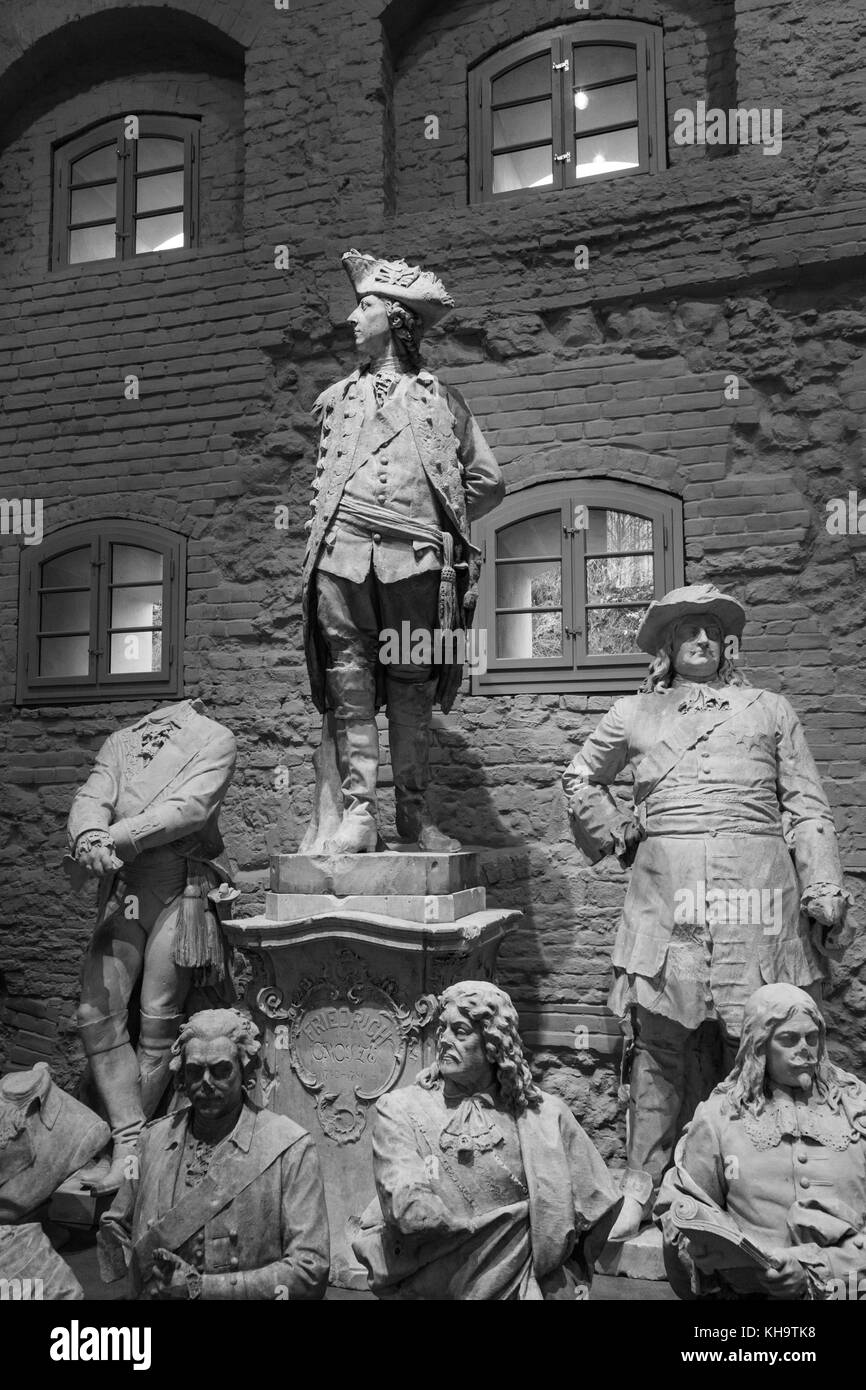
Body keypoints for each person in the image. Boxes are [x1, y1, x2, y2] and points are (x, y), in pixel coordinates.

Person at [561, 583, 850, 1240]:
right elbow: (581, 777)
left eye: (711, 630)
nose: (700, 639)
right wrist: (617, 833)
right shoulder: (633, 713)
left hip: (759, 887)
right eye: (687, 629)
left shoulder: (770, 710)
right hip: (668, 889)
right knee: (659, 1042)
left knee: (756, 1038)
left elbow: (806, 806)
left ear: (728, 645)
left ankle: (757, 1186)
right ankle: (641, 1181)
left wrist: (822, 884)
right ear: (666, 645)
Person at [302, 248, 504, 854]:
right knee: (350, 681)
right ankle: (359, 815)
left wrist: (442, 522)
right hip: (341, 555)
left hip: (416, 561)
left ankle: (414, 817)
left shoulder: (441, 400)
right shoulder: (336, 400)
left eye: (363, 307)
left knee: (412, 685)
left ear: (395, 318)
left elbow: (487, 481)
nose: (351, 319)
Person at [351, 981, 622, 1299]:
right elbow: (406, 1205)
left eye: (460, 1031)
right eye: (442, 1029)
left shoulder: (546, 1117)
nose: (444, 1040)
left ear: (494, 1043)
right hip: (429, 1286)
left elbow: (599, 1205)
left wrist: (569, 1276)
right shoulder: (401, 1109)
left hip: (526, 1287)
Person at [66, 698, 237, 1190]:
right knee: (95, 1012)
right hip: (127, 890)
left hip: (181, 889)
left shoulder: (213, 737)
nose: (152, 732)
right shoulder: (121, 742)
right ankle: (126, 1133)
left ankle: (129, 1147)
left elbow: (191, 809)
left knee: (159, 1015)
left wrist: (113, 837)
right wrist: (89, 837)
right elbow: (92, 794)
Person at [97, 1008, 329, 1300]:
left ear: (246, 1072)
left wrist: (201, 1288)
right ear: (182, 1076)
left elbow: (310, 1271)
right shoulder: (151, 1140)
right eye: (195, 1071)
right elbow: (115, 1225)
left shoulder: (291, 1148)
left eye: (221, 1070)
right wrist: (137, 1272)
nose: (206, 1082)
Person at [656, 984, 866, 1300]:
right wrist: (699, 1252)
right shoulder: (719, 1117)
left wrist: (821, 1268)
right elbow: (683, 1209)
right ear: (759, 1045)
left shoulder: (857, 1112)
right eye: (789, 1039)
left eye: (812, 1038)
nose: (805, 1049)